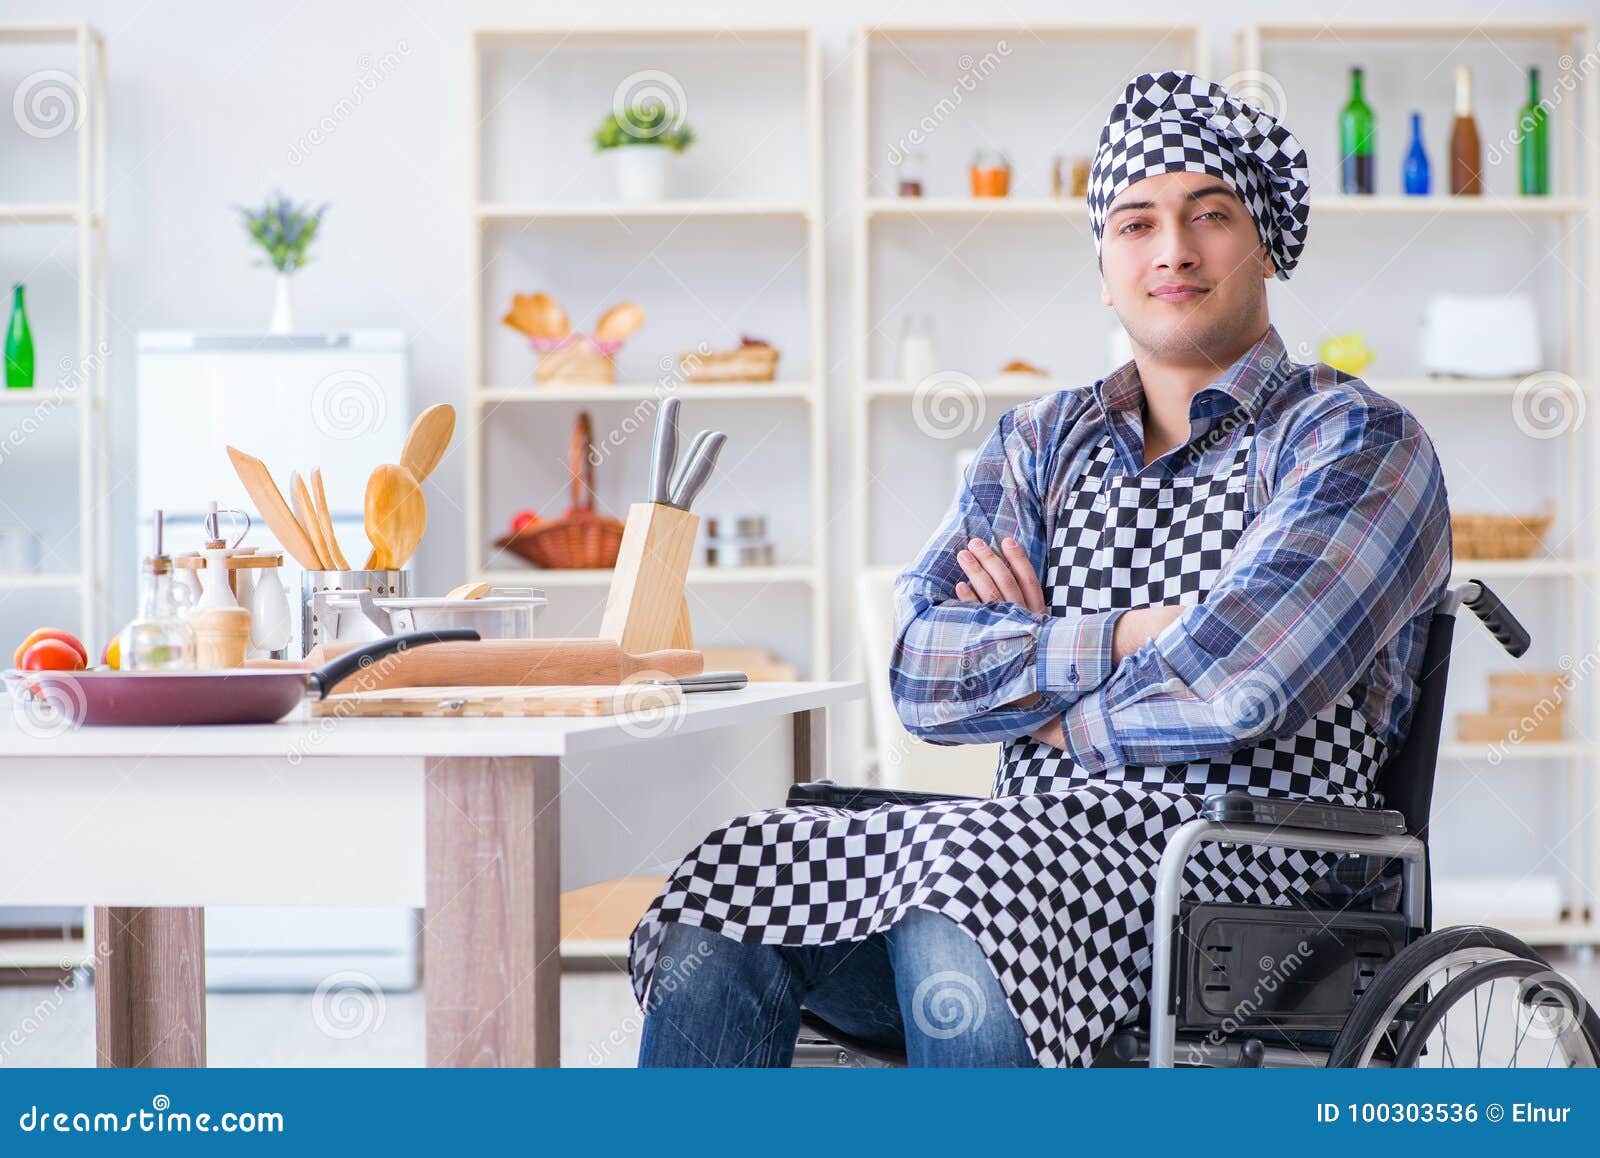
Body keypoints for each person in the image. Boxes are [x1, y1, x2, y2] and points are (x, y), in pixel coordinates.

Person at [630, 69, 1451, 1068]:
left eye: (1210, 216)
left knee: (972, 882)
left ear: (1267, 243)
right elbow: (921, 670)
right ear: (1103, 264)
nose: (1173, 251)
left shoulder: (1352, 440)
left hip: (1253, 896)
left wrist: (1042, 698)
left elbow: (1244, 683)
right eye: (1136, 223)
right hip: (1035, 867)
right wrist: (1135, 635)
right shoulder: (1037, 441)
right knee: (743, 876)